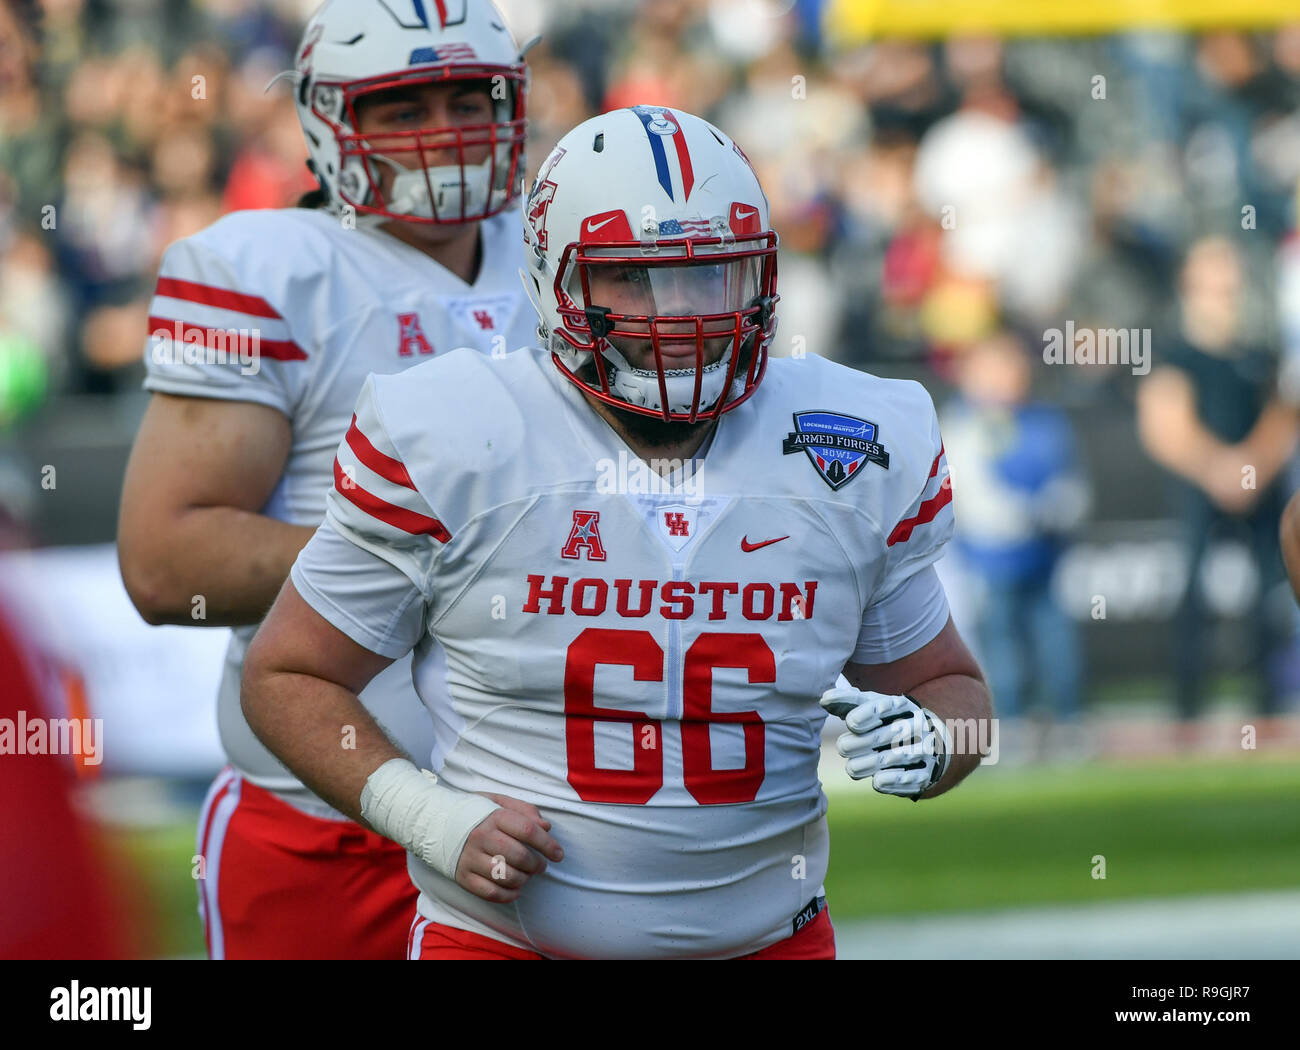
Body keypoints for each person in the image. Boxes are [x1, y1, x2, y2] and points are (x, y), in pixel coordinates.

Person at [241, 106, 992, 960]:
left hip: (770, 943)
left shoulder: (847, 447)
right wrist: (429, 818)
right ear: (554, 281)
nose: (679, 313)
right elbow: (287, 674)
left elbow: (952, 689)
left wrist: (937, 742)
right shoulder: (459, 437)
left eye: (712, 274)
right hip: (501, 944)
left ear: (762, 279)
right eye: (635, 278)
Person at [116, 0, 536, 959]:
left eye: (469, 96)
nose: (446, 131)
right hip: (328, 833)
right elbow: (164, 560)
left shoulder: (569, 257)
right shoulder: (264, 270)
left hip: (555, 836)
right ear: (330, 120)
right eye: (403, 107)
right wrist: (436, 558)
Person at [1137, 236, 1298, 726]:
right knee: (1192, 588)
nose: (1226, 281)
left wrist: (1252, 466)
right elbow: (1165, 424)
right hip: (1197, 485)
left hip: (1258, 485)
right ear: (1191, 279)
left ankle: (1267, 697)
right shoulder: (1174, 351)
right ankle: (1188, 702)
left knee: (1270, 590)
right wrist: (1219, 469)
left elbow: (1282, 415)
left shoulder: (1259, 351)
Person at [941, 332, 1087, 738]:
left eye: (1012, 366)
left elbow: (1070, 482)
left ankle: (1068, 719)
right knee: (1000, 647)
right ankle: (1011, 723)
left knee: (1055, 640)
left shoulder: (1044, 421)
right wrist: (1018, 515)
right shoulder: (962, 425)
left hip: (1044, 556)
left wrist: (1059, 508)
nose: (1007, 377)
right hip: (989, 559)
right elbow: (968, 492)